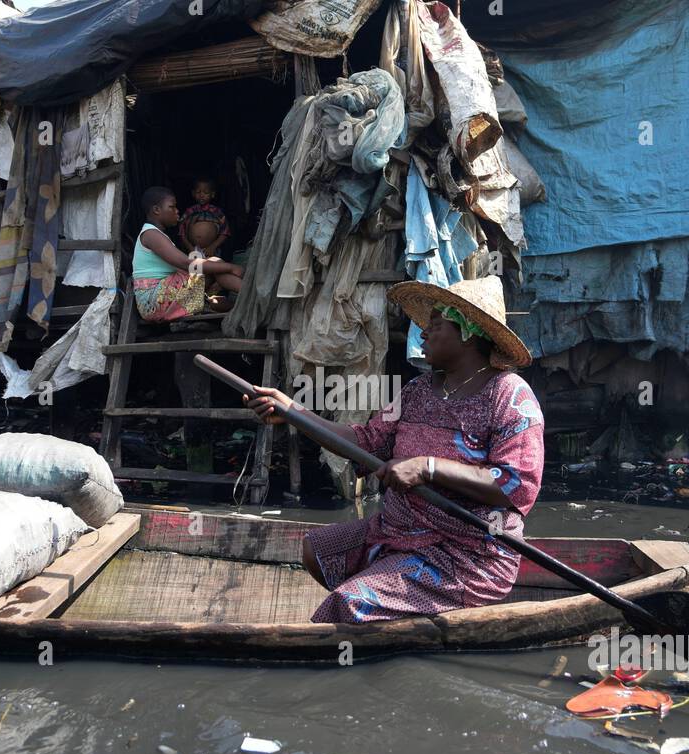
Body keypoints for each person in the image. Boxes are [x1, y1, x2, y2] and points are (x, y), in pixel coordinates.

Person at [244, 276, 545, 623]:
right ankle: (393, 618)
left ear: (466, 333)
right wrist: (293, 412)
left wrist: (427, 467)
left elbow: (515, 484)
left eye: (434, 325)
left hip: (463, 553)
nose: (423, 335)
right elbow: (364, 441)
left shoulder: (508, 396)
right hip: (397, 531)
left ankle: (377, 617)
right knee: (318, 550)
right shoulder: (417, 391)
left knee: (347, 604)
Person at [132, 186, 242, 321]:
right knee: (214, 264)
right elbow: (186, 264)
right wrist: (231, 267)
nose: (177, 211)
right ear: (156, 210)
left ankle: (244, 300)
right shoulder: (151, 234)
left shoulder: (155, 234)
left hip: (158, 299)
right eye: (172, 207)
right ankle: (252, 297)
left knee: (212, 268)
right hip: (154, 300)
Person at [177, 178, 230, 257]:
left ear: (212, 194)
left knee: (212, 268)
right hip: (192, 250)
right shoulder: (189, 212)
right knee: (194, 268)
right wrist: (190, 248)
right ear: (193, 193)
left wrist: (213, 247)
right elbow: (181, 232)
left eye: (206, 192)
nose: (201, 195)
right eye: (198, 192)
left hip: (211, 251)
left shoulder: (217, 212)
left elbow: (225, 232)